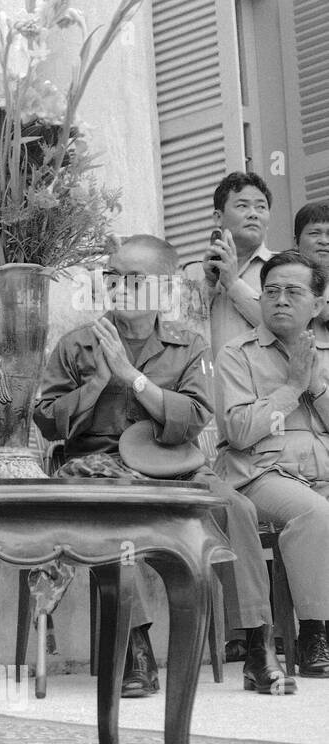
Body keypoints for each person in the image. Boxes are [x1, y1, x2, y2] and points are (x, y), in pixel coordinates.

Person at [35, 235, 291, 696]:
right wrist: (98, 382)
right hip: (101, 464)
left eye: (135, 279)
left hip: (174, 463)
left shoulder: (187, 345)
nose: (120, 287)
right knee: (114, 519)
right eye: (113, 276)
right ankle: (135, 650)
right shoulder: (78, 344)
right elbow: (48, 423)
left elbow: (194, 416)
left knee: (236, 509)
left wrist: (132, 379)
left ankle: (258, 646)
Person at [214, 250, 329, 681]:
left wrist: (313, 381)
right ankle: (315, 631)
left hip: (322, 472)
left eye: (293, 292)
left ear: (316, 304)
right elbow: (241, 430)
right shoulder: (237, 353)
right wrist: (292, 386)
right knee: (314, 512)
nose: (280, 299)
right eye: (272, 291)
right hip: (261, 474)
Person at [188, 172, 275, 365]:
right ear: (218, 217)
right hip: (205, 390)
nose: (254, 213)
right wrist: (209, 286)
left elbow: (283, 330)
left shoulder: (283, 269)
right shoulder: (192, 272)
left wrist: (233, 283)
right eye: (242, 206)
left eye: (261, 207)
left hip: (266, 390)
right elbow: (180, 335)